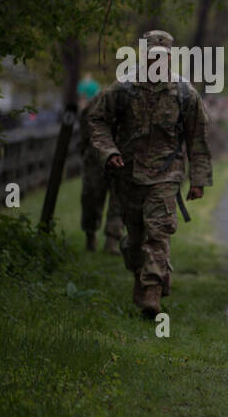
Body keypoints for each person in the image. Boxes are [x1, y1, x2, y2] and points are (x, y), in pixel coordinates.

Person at [87, 29, 212, 318]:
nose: (157, 61)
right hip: (128, 174)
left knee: (158, 234)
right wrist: (109, 153)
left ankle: (152, 294)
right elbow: (98, 121)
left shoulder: (184, 93)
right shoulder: (123, 89)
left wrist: (199, 180)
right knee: (135, 240)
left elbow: (198, 138)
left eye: (163, 56)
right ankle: (142, 279)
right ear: (144, 56)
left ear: (170, 57)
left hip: (167, 176)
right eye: (152, 55)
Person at [77, 87, 123, 254]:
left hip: (121, 157)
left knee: (119, 200)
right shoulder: (100, 98)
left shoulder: (135, 100)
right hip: (96, 157)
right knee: (91, 197)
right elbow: (85, 123)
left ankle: (112, 240)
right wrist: (85, 147)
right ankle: (90, 236)